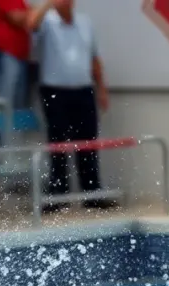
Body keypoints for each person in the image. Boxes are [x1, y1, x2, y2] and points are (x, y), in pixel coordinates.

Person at [28, 0, 110, 209]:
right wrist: (47, 4)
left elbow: (94, 57)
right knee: (58, 142)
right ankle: (58, 195)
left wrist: (101, 88)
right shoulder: (47, 21)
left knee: (88, 142)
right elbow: (30, 24)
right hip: (55, 91)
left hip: (83, 90)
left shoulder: (85, 22)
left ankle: (92, 194)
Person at [0, 0, 30, 111]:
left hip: (17, 55)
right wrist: (44, 7)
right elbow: (17, 18)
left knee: (17, 107)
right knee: (5, 105)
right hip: (7, 53)